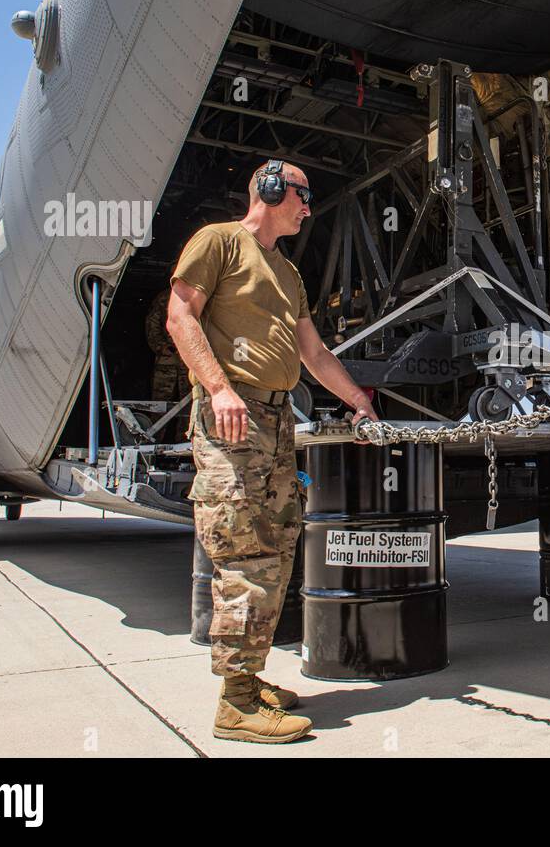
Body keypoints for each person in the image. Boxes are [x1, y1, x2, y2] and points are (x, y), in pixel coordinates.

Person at [167, 159, 379, 744]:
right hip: (232, 420)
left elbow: (314, 354)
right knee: (241, 552)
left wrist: (359, 400)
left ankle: (249, 679)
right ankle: (234, 704)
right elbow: (179, 315)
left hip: (277, 421)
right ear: (268, 189)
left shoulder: (288, 274)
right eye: (303, 196)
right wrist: (218, 388)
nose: (309, 208)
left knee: (277, 549)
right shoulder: (219, 242)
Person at [144, 288, 186, 441]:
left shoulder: (195, 296)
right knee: (159, 406)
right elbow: (152, 325)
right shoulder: (164, 298)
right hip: (167, 361)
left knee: (188, 407)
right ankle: (153, 442)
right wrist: (161, 347)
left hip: (188, 363)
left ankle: (183, 446)